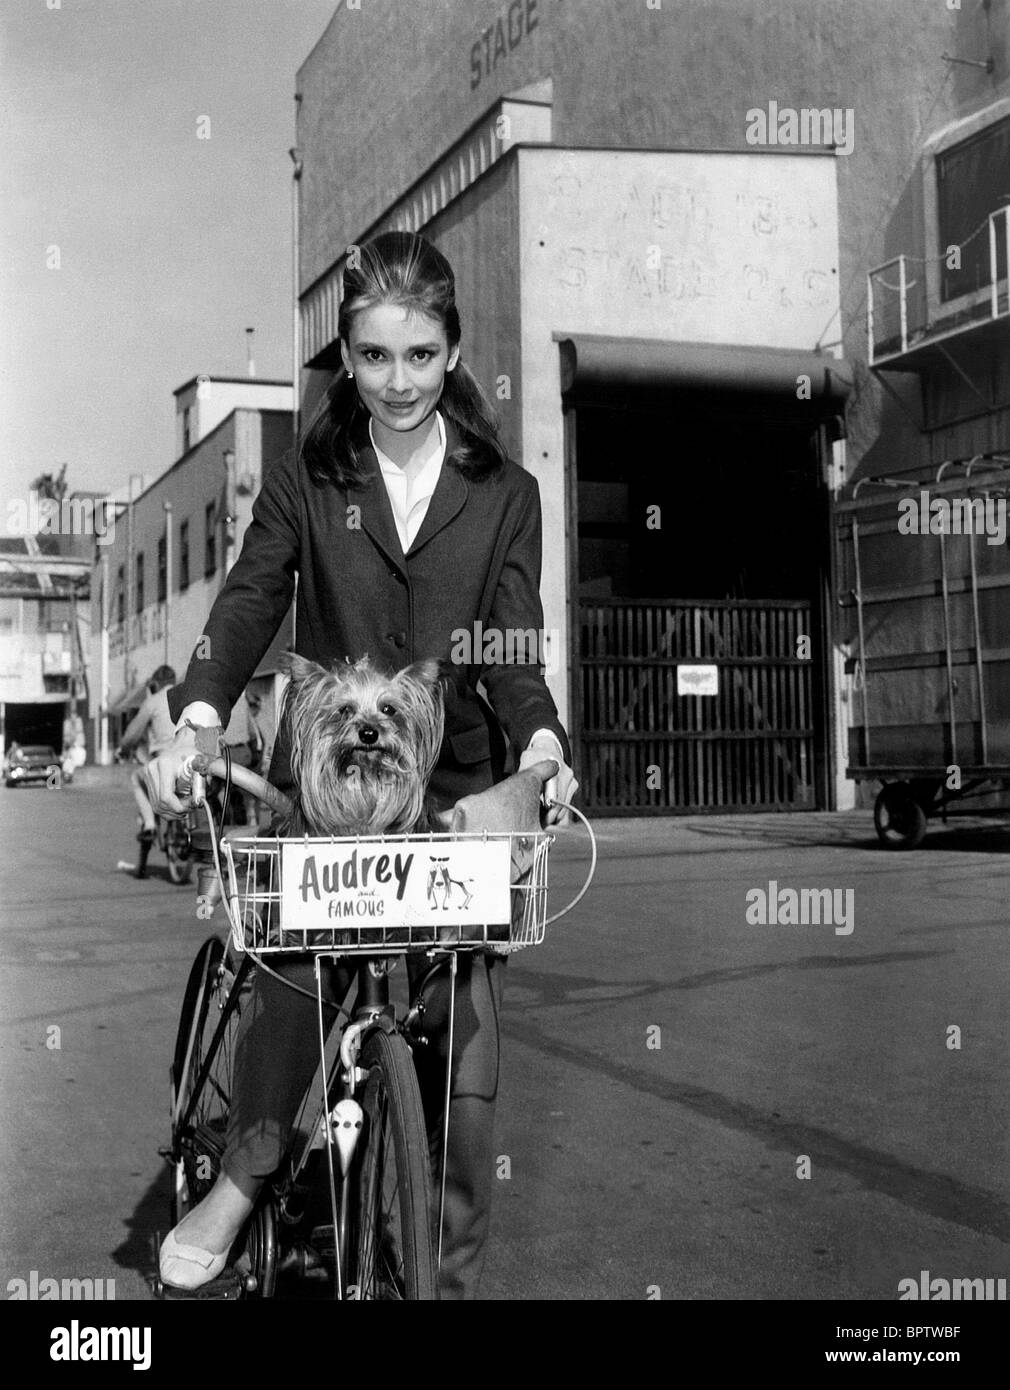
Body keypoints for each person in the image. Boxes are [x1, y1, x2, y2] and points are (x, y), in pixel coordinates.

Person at [145, 230, 578, 1299]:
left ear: (452, 353)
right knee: (296, 962)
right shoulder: (308, 476)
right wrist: (197, 711)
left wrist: (538, 744)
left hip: (455, 796)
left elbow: (510, 642)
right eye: (374, 357)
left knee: (461, 1057)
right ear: (345, 355)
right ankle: (247, 1169)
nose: (397, 382)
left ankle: (443, 1271)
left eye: (421, 356)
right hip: (335, 785)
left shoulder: (504, 490)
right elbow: (249, 598)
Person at [115, 665, 176, 878]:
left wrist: (123, 748)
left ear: (156, 684)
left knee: (137, 779)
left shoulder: (153, 701)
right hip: (192, 760)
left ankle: (149, 825)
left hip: (165, 762)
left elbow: (132, 735)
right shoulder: (187, 697)